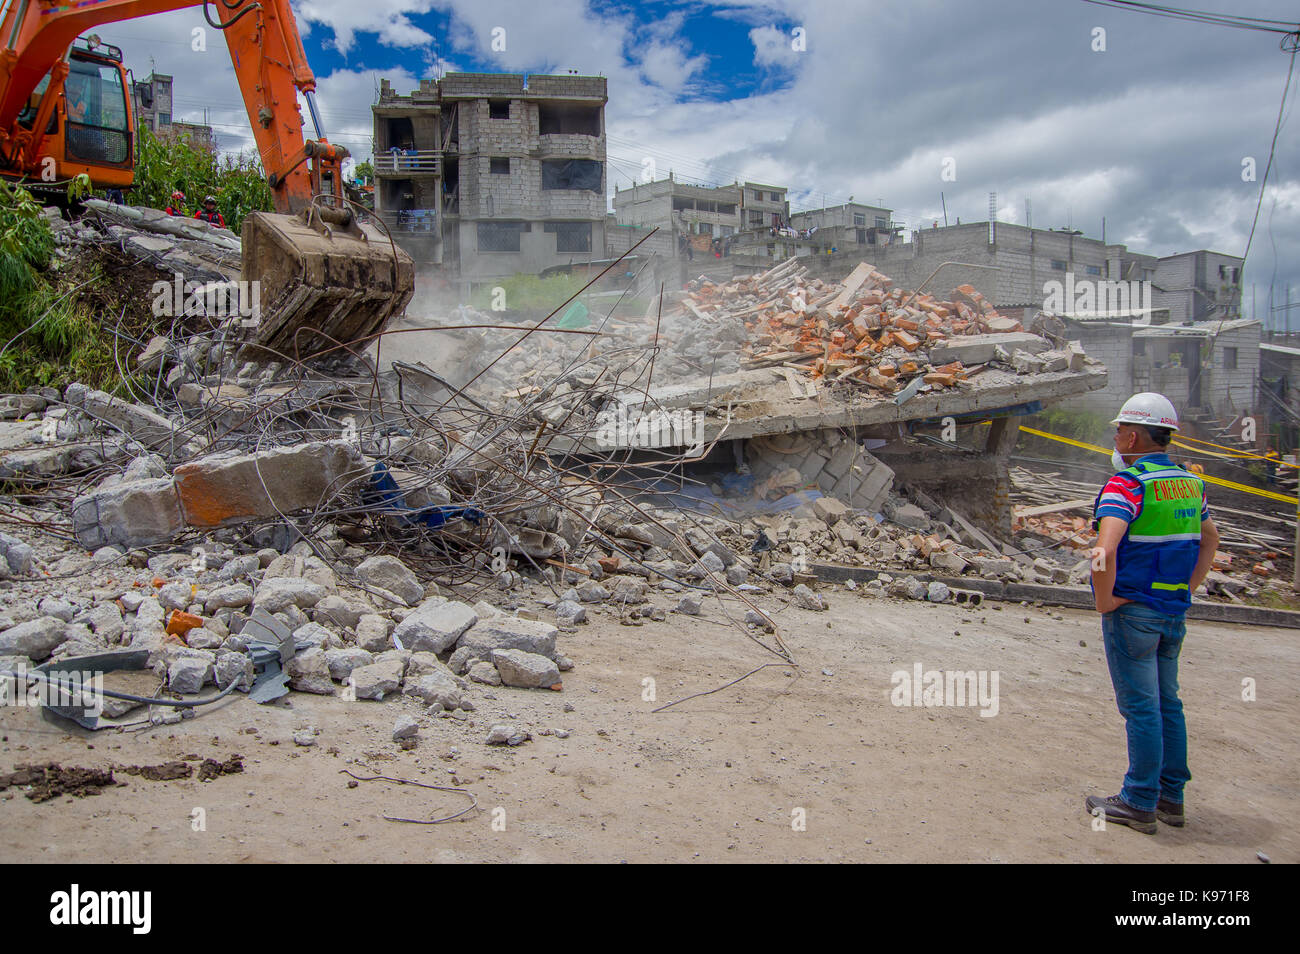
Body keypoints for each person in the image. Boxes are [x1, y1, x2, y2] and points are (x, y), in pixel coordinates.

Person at [1086, 392, 1220, 835]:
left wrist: (1105, 602)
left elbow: (1103, 553)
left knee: (1141, 708)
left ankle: (1138, 800)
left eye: (1120, 429)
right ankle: (1171, 798)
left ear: (1135, 434)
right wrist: (1187, 588)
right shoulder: (1190, 484)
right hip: (1172, 611)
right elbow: (1210, 541)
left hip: (1134, 613)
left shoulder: (1128, 485)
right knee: (1168, 704)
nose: (1117, 436)